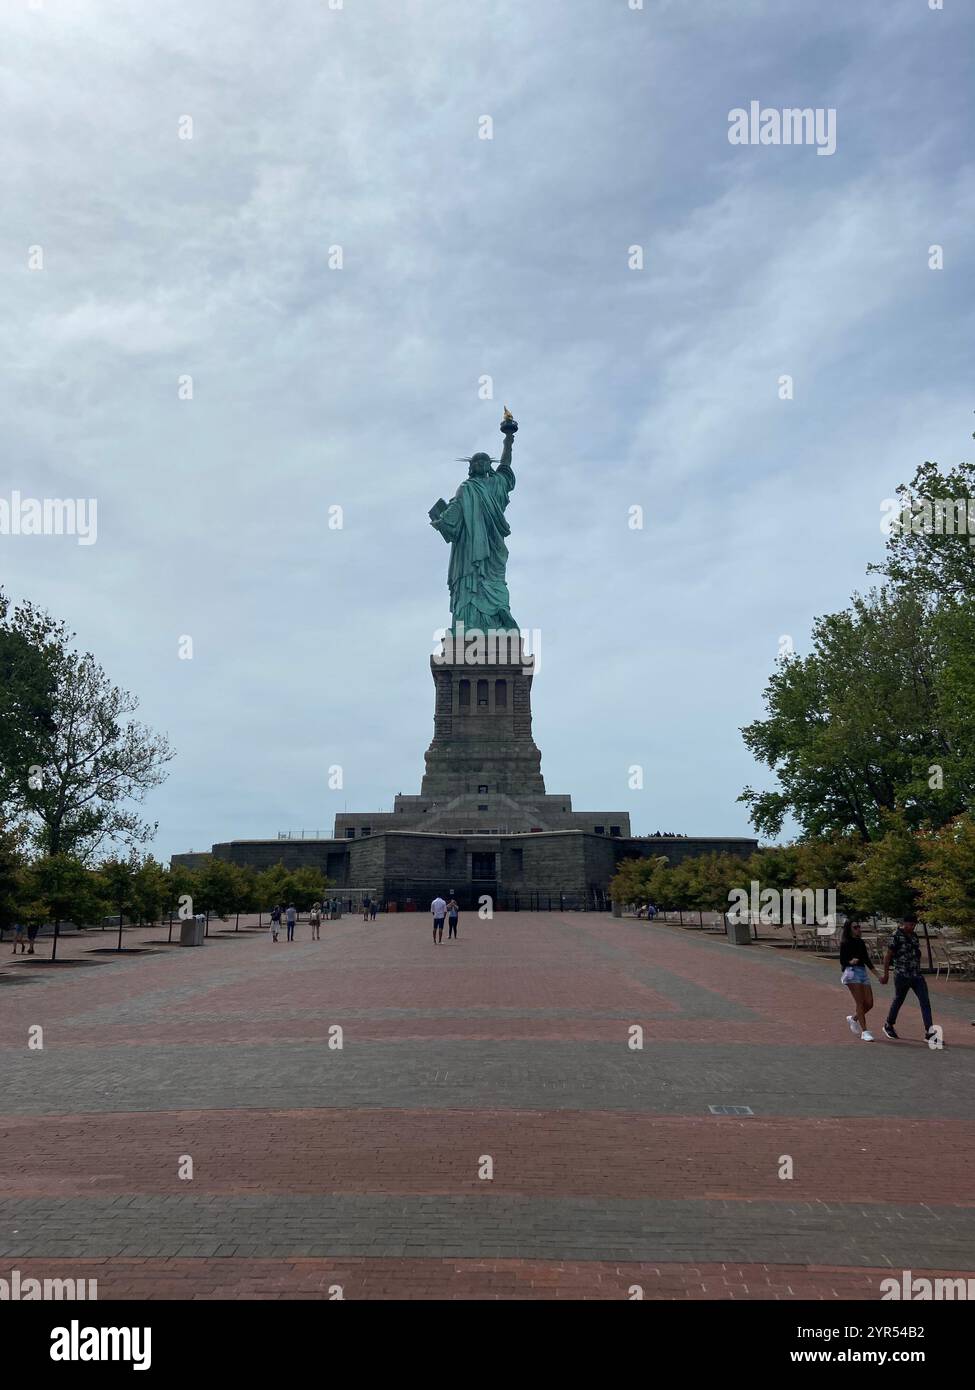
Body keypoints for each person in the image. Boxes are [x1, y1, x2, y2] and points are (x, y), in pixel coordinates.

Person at [882, 916, 938, 1043]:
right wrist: (886, 974)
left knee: (925, 1001)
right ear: (904, 923)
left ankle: (929, 1032)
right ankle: (889, 1024)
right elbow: (888, 955)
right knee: (899, 1000)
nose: (912, 927)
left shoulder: (914, 936)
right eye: (910, 924)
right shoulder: (895, 935)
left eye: (914, 925)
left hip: (916, 974)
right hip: (902, 974)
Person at [839, 918, 881, 1041]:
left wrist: (878, 976)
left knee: (869, 1003)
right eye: (855, 927)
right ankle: (865, 1031)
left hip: (862, 972)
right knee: (860, 1002)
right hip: (852, 973)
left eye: (859, 926)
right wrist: (850, 961)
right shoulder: (845, 943)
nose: (858, 929)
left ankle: (854, 1018)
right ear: (849, 929)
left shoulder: (861, 942)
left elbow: (867, 960)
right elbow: (842, 961)